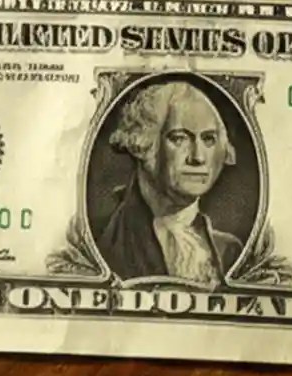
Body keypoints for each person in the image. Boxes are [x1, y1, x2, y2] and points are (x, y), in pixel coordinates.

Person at [95, 79, 243, 285]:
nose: (198, 157)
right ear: (143, 144)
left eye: (209, 139)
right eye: (179, 139)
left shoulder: (229, 251)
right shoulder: (104, 241)